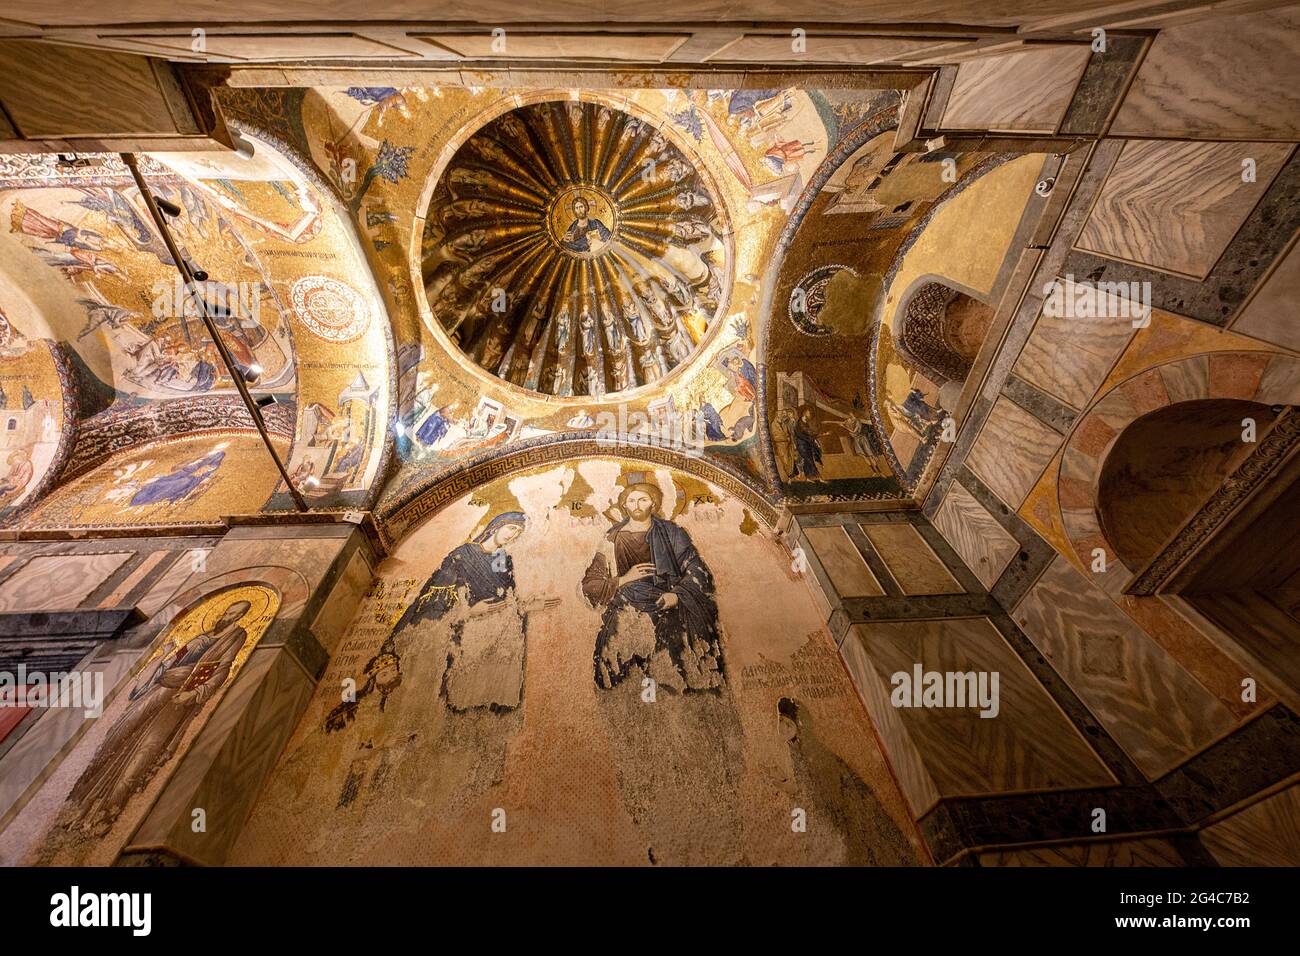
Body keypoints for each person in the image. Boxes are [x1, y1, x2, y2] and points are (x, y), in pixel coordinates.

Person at [67, 599, 254, 835]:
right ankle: (79, 806)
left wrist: (195, 693)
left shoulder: (236, 636)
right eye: (228, 610)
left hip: (180, 698)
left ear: (240, 617)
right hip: (158, 688)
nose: (228, 615)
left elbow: (223, 669)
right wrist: (166, 658)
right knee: (118, 736)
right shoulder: (205, 633)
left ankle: (106, 814)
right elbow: (171, 661)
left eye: (235, 613)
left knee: (147, 750)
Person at [581, 482, 724, 692]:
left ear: (654, 504)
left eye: (643, 499)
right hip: (626, 612)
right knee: (618, 681)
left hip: (670, 608)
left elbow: (699, 571)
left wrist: (676, 595)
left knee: (680, 677)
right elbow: (590, 586)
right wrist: (623, 579)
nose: (636, 505)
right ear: (624, 506)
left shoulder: (672, 533)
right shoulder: (611, 540)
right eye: (631, 501)